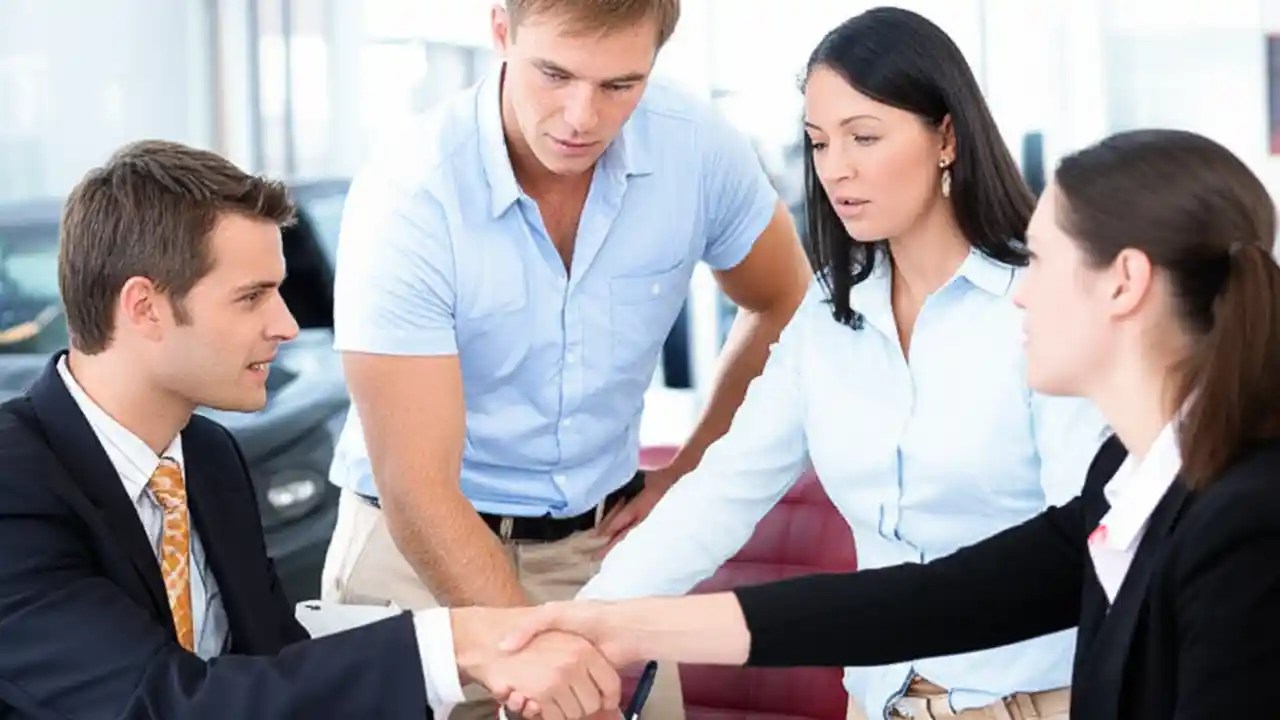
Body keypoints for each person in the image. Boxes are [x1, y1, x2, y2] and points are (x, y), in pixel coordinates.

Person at [497, 127, 1280, 720]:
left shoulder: (1246, 526)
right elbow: (927, 602)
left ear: (1124, 284)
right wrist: (616, 627)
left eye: (1040, 263)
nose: (1020, 296)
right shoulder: (1128, 483)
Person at [577, 8, 1107, 720]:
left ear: (946, 136)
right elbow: (722, 494)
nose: (836, 169)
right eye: (820, 143)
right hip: (879, 704)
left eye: (865, 137)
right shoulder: (828, 318)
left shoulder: (1037, 306)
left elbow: (1089, 544)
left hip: (1033, 703)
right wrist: (579, 626)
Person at [0, 140, 624, 720]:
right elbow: (164, 702)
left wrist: (475, 652)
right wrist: (454, 641)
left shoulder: (207, 456)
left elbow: (270, 659)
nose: (287, 325)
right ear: (144, 308)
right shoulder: (15, 480)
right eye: (252, 297)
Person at [320, 0, 811, 716]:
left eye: (620, 85)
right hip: (414, 561)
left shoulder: (697, 149)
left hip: (600, 556)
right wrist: (540, 656)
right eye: (554, 74)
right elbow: (417, 489)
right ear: (501, 32)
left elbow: (783, 299)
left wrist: (691, 467)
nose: (582, 116)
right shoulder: (411, 191)